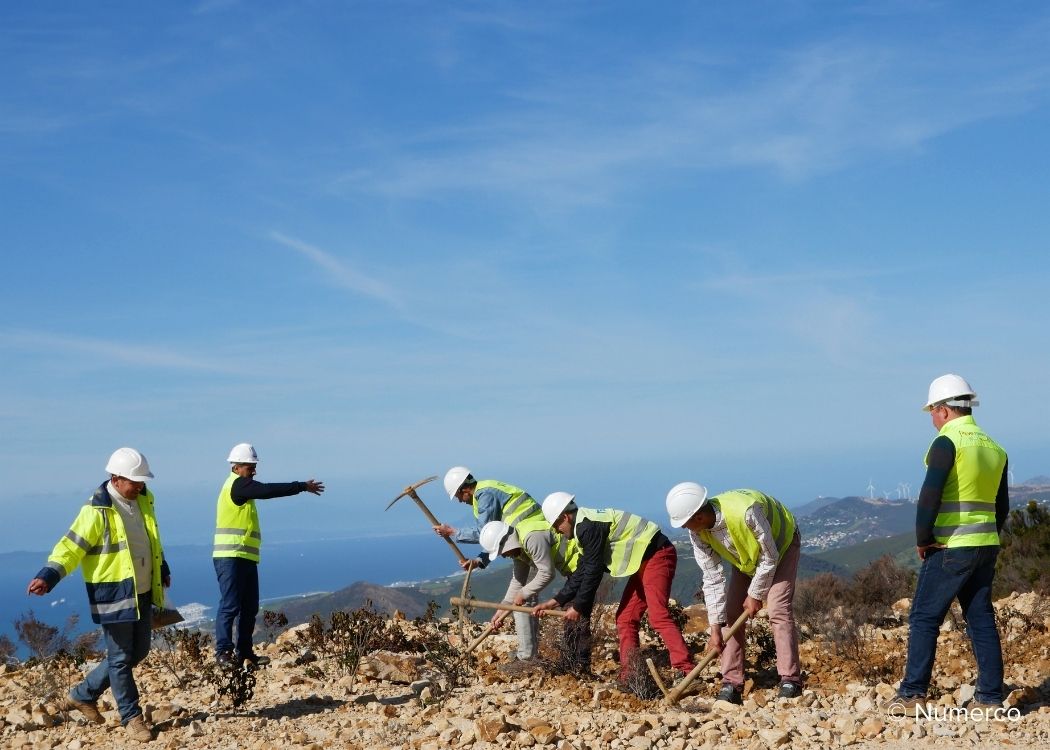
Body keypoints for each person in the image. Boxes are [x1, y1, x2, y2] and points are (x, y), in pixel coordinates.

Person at [26, 447, 170, 743]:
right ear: (116, 479)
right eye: (135, 481)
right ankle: (131, 717)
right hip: (114, 594)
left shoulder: (145, 499)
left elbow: (150, 539)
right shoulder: (96, 511)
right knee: (120, 657)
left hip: (143, 590)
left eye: (142, 481)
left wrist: (162, 566)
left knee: (138, 652)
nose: (140, 486)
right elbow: (70, 547)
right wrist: (49, 575)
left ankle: (82, 694)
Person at [892, 374, 1008, 715]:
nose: (932, 418)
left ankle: (912, 695)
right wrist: (986, 537)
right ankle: (990, 697)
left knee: (924, 617)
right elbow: (1002, 507)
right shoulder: (995, 448)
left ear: (943, 410)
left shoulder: (947, 442)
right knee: (981, 618)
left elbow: (929, 496)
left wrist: (923, 539)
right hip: (986, 544)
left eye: (932, 411)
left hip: (950, 545)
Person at [533, 492, 694, 690]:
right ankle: (630, 676)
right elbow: (582, 571)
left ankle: (686, 671)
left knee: (658, 616)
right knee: (625, 619)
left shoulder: (588, 527)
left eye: (556, 525)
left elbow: (593, 572)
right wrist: (555, 601)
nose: (557, 531)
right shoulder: (585, 526)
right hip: (643, 562)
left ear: (565, 517)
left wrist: (578, 607)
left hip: (657, 556)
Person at [665, 482, 802, 703]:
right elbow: (712, 578)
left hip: (781, 546)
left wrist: (755, 594)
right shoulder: (698, 533)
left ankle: (790, 679)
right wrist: (715, 629)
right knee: (731, 614)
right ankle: (731, 682)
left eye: (684, 523)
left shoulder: (746, 512)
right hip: (746, 559)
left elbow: (770, 557)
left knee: (778, 608)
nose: (683, 528)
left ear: (699, 516)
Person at [213, 443, 325, 668]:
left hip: (244, 556)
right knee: (230, 605)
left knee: (249, 607)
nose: (254, 471)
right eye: (250, 467)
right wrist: (301, 486)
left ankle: (244, 653)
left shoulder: (241, 487)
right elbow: (267, 490)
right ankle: (223, 652)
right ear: (236, 467)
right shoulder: (238, 485)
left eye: (254, 467)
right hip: (230, 555)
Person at [479, 519, 581, 665]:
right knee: (572, 617)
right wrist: (502, 609)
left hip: (579, 566)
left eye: (502, 552)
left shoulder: (531, 538)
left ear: (506, 543)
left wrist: (523, 594)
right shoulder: (519, 547)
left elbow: (547, 573)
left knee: (575, 617)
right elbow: (518, 581)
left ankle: (578, 665)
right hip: (573, 573)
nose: (504, 556)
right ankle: (573, 661)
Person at [433, 466, 546, 571]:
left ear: (464, 490)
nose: (460, 501)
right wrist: (478, 561)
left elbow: (483, 532)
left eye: (458, 497)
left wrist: (452, 532)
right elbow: (495, 534)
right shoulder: (485, 490)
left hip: (533, 537)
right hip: (528, 536)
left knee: (538, 576)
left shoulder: (485, 495)